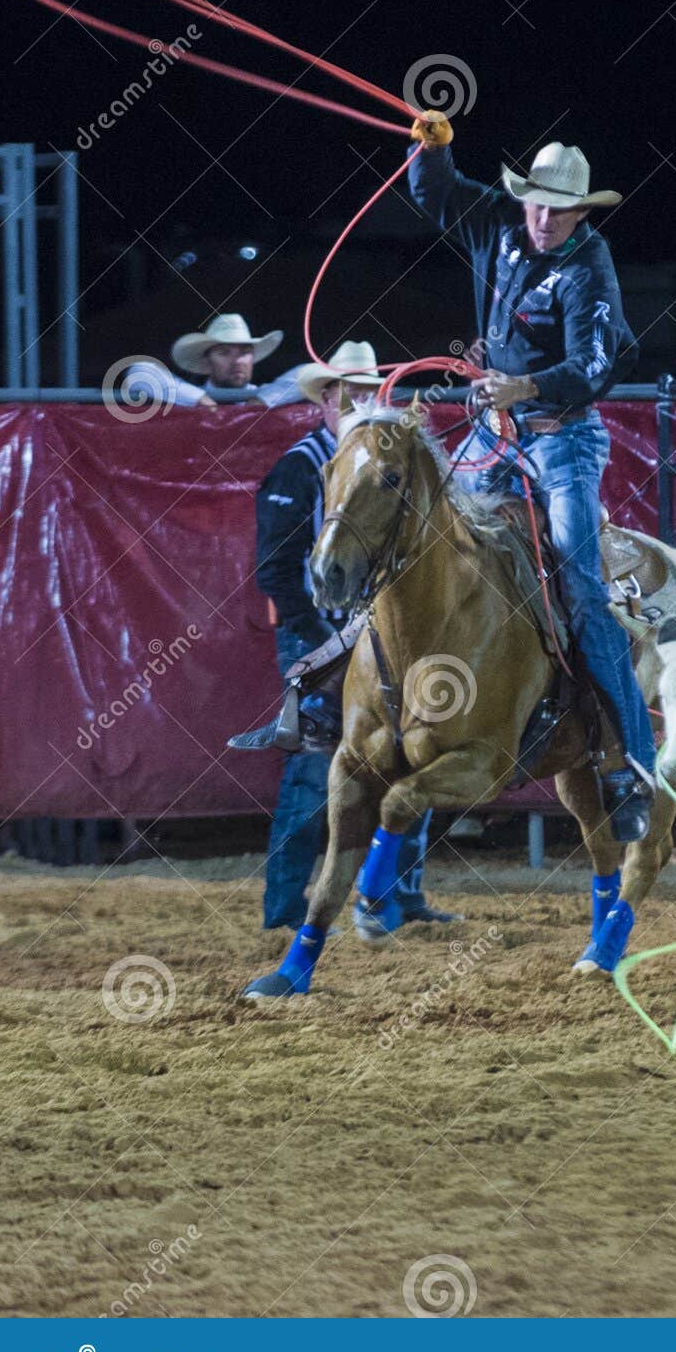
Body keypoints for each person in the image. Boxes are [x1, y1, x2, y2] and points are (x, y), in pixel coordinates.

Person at [407, 109, 655, 844]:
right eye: (536, 203)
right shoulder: (499, 225)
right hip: (496, 436)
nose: (543, 217)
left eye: (558, 208)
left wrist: (525, 389)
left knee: (578, 578)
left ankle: (630, 762)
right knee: (434, 544)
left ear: (581, 213)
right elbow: (436, 193)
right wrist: (432, 146)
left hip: (561, 441)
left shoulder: (589, 266)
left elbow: (595, 366)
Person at [253, 339, 457, 938]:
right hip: (321, 636)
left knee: (413, 756)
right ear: (328, 398)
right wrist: (323, 645)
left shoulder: (370, 465)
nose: (359, 401)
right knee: (314, 774)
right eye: (349, 392)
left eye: (369, 392)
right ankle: (287, 911)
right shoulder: (300, 465)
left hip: (381, 637)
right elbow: (276, 572)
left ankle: (399, 895)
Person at [123, 311, 304, 409]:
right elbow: (139, 371)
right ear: (207, 362)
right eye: (225, 353)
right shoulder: (185, 398)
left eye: (244, 352)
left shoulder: (269, 395)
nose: (237, 361)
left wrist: (262, 401)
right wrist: (199, 400)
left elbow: (309, 373)